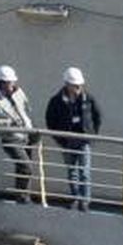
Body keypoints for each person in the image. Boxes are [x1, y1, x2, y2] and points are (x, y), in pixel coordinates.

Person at [45, 66, 102, 211]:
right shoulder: (57, 101)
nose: (78, 88)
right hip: (67, 141)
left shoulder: (88, 99)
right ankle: (75, 197)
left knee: (85, 172)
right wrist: (60, 139)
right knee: (72, 172)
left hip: (83, 140)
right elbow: (50, 121)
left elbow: (97, 116)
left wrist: (91, 135)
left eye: (79, 85)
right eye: (75, 85)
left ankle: (85, 201)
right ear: (67, 85)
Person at [0, 65, 36, 203]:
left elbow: (27, 109)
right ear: (1, 83)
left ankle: (24, 196)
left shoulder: (19, 93)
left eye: (13, 82)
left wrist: (31, 127)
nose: (13, 84)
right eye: (10, 82)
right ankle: (22, 197)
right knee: (26, 167)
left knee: (23, 169)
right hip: (10, 139)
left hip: (26, 136)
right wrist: (8, 122)